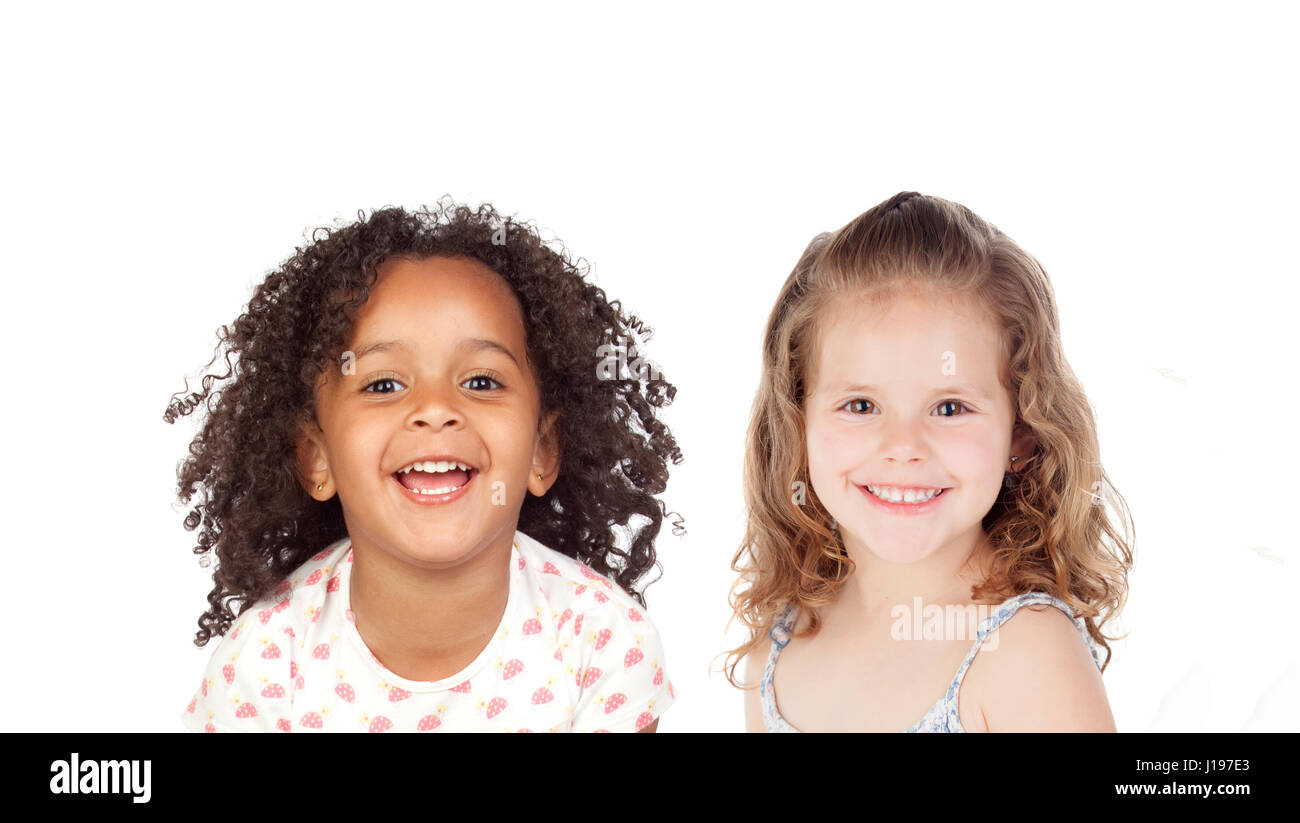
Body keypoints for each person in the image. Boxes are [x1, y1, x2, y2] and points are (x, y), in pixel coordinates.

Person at [169, 200, 681, 732]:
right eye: (383, 384)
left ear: (541, 450)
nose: (435, 410)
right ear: (315, 457)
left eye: (482, 382)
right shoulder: (265, 662)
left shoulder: (602, 642)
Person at [727, 192, 1133, 732]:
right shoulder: (778, 646)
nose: (903, 446)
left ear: (1023, 433)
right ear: (796, 423)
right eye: (860, 405)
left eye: (949, 407)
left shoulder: (1025, 653)